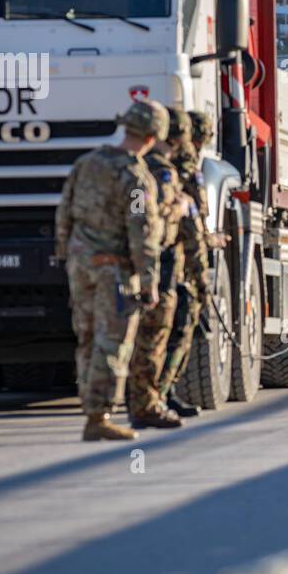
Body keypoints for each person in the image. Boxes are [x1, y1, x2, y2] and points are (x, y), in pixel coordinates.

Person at [55, 100, 166, 441]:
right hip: (112, 271)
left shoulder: (86, 164)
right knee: (112, 342)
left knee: (87, 338)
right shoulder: (135, 177)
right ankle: (98, 415)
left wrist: (67, 254)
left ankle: (91, 408)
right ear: (151, 136)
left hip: (81, 266)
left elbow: (65, 212)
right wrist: (149, 281)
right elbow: (141, 231)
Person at [125, 108, 197, 428]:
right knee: (155, 335)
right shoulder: (160, 170)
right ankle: (147, 403)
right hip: (159, 261)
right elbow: (155, 220)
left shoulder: (129, 167)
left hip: (145, 261)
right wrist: (180, 207)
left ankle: (152, 399)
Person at [159, 109, 212, 412]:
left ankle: (151, 396)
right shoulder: (186, 164)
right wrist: (202, 277)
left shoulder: (144, 164)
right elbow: (193, 218)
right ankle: (160, 394)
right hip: (174, 257)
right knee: (179, 324)